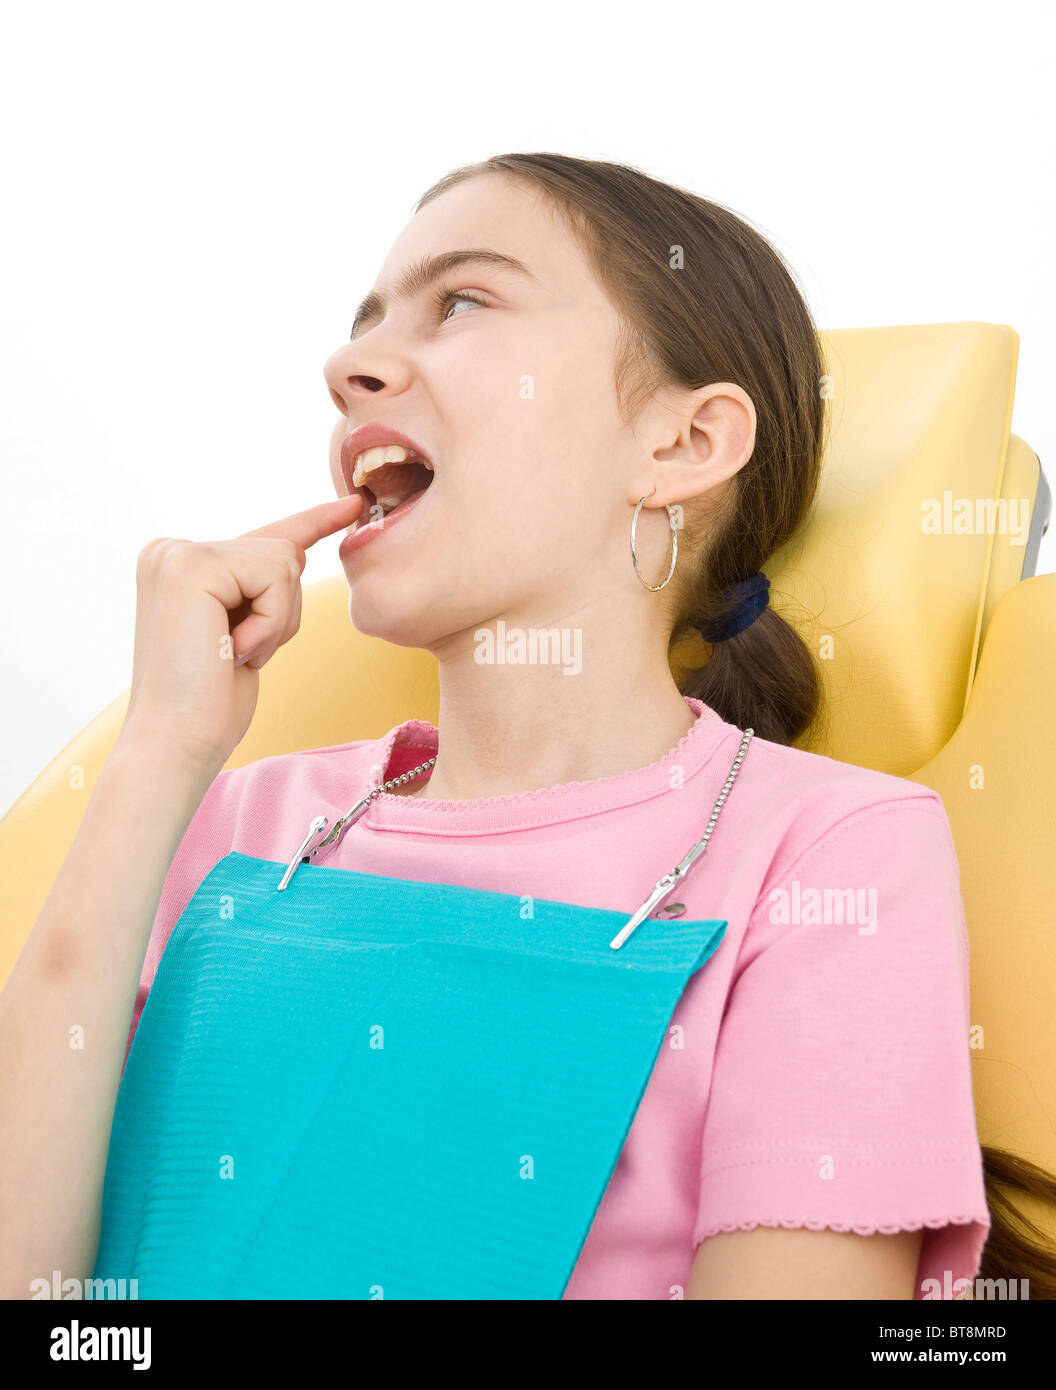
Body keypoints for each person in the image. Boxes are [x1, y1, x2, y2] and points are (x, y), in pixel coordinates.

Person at [2, 153, 1051, 1301]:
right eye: (364, 326)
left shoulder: (829, 851)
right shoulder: (241, 810)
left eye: (463, 300)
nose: (347, 366)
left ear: (683, 446)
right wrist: (161, 747)